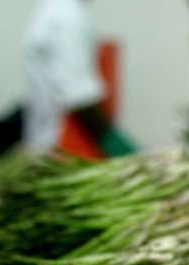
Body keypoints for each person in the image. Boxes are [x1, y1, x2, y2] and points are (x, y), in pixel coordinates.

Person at [25, 0, 136, 155]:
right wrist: (123, 149)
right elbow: (79, 97)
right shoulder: (69, 16)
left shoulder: (53, 9)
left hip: (50, 141)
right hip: (67, 147)